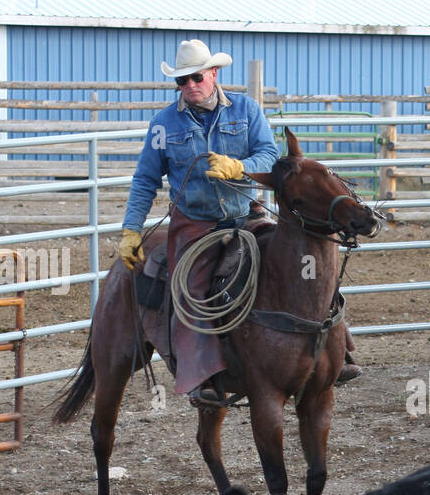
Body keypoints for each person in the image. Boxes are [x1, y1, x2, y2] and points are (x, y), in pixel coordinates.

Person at [119, 39, 358, 409]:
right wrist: (131, 229)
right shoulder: (163, 125)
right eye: (181, 81)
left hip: (248, 214)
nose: (189, 86)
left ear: (213, 74)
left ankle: (339, 350)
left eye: (195, 77)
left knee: (307, 265)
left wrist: (239, 167)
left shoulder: (246, 110)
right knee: (193, 289)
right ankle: (205, 376)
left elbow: (270, 155)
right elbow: (145, 179)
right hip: (195, 224)